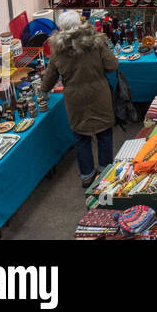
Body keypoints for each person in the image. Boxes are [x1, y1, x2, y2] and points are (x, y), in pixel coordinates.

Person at [41, 10, 119, 186]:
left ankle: (87, 176)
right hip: (99, 94)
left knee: (81, 137)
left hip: (74, 99)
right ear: (81, 23)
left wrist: (43, 91)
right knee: (104, 133)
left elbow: (50, 77)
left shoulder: (58, 51)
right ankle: (105, 174)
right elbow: (112, 65)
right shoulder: (96, 43)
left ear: (61, 28)